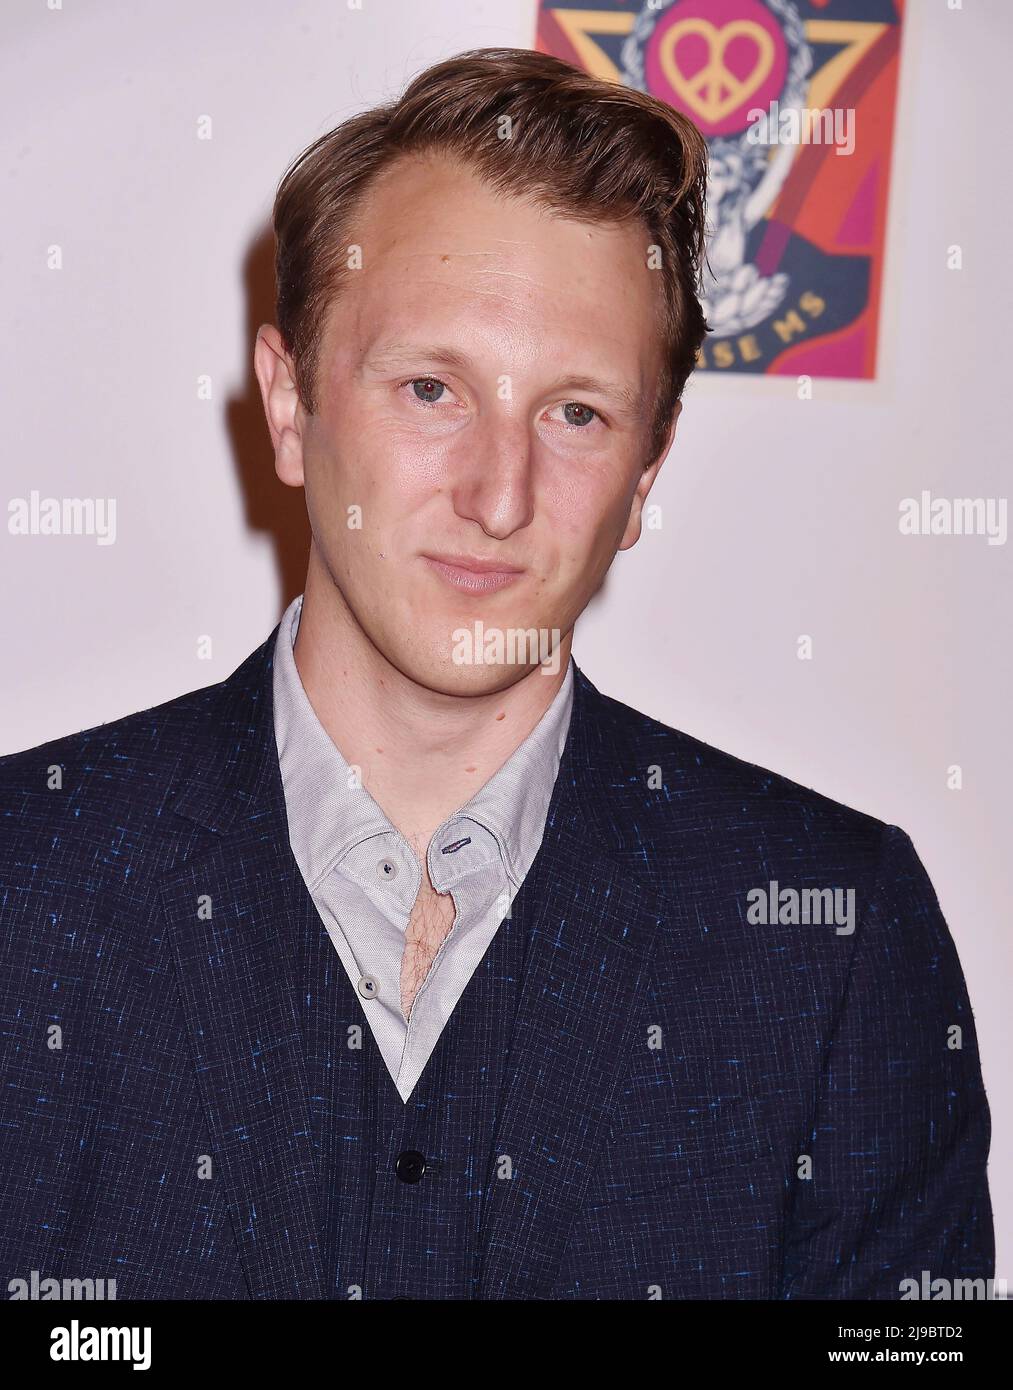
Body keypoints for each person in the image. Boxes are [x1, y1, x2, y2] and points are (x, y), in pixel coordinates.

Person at [0, 48, 992, 1301]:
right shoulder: (22, 885)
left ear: (644, 475)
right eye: (430, 389)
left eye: (574, 413)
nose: (497, 495)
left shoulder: (834, 932)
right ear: (290, 406)